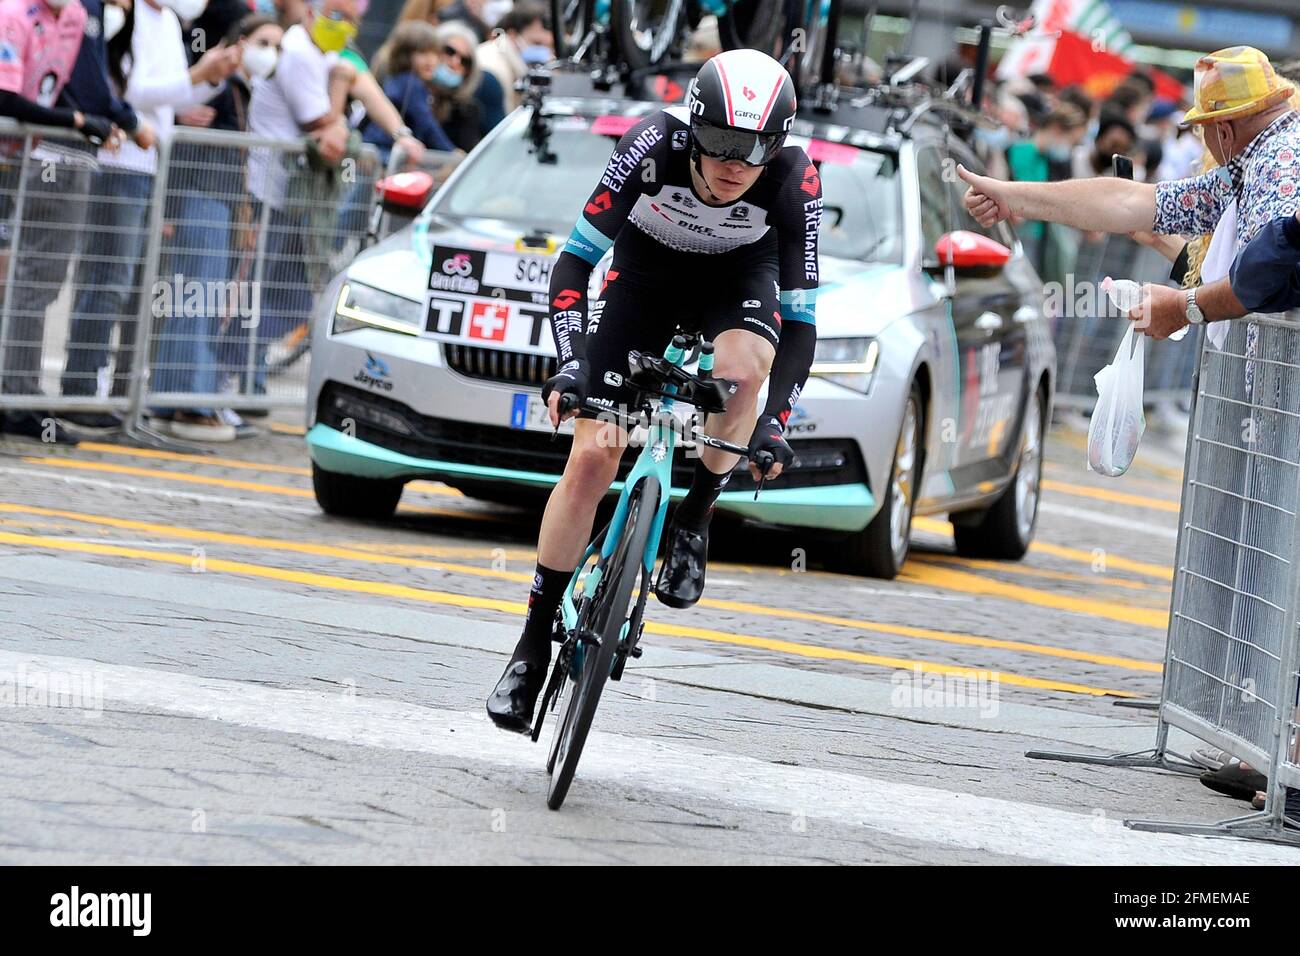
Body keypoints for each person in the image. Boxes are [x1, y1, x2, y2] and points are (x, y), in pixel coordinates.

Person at [486, 49, 821, 732]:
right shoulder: (650, 143)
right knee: (591, 457)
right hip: (644, 278)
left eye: (755, 148)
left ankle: (695, 518)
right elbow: (575, 263)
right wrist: (573, 363)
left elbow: (804, 326)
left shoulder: (794, 179)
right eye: (722, 142)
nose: (736, 162)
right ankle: (530, 643)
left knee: (746, 369)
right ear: (694, 128)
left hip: (738, 280)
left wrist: (775, 421)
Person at [960, 46, 1299, 340]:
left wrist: (1185, 308)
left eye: (1202, 129)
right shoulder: (1252, 163)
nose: (1203, 142)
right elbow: (1126, 200)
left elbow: (1266, 275)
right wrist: (1011, 196)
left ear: (1223, 130)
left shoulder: (1280, 164)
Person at [60, 0, 240, 419]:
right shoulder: (129, 16)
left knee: (125, 285)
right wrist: (197, 76)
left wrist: (213, 77)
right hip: (120, 164)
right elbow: (131, 90)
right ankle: (81, 390)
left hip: (148, 166)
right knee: (107, 279)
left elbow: (172, 94)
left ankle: (107, 391)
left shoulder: (169, 21)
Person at [0, 0, 145, 442]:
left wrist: (92, 120)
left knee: (35, 281)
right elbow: (8, 97)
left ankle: (18, 395)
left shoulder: (76, 16)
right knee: (31, 280)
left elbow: (70, 86)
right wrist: (80, 120)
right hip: (34, 155)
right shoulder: (14, 15)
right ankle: (16, 397)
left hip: (26, 154)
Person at [152, 15, 284, 441]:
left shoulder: (243, 91)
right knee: (194, 301)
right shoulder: (219, 85)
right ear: (240, 43)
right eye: (265, 42)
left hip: (221, 203)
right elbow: (185, 132)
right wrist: (172, 211)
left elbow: (238, 163)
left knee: (201, 303)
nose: (272, 54)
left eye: (279, 47)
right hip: (200, 200)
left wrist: (243, 214)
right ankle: (188, 404)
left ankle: (184, 400)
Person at [364, 20, 456, 157]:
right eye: (423, 53)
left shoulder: (399, 79)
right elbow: (426, 122)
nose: (431, 60)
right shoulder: (410, 82)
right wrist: (451, 151)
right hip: (384, 152)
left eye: (435, 54)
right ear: (405, 55)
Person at [475, 2, 552, 113]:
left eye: (549, 46)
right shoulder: (494, 68)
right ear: (512, 35)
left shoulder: (514, 66)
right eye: (537, 43)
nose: (546, 53)